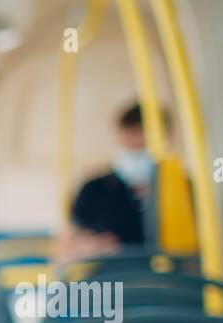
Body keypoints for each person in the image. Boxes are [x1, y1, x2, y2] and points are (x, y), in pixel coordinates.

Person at [54, 103, 163, 266]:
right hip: (109, 280)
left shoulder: (180, 189)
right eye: (132, 143)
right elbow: (65, 249)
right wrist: (92, 247)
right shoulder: (93, 189)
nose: (138, 151)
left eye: (144, 146)